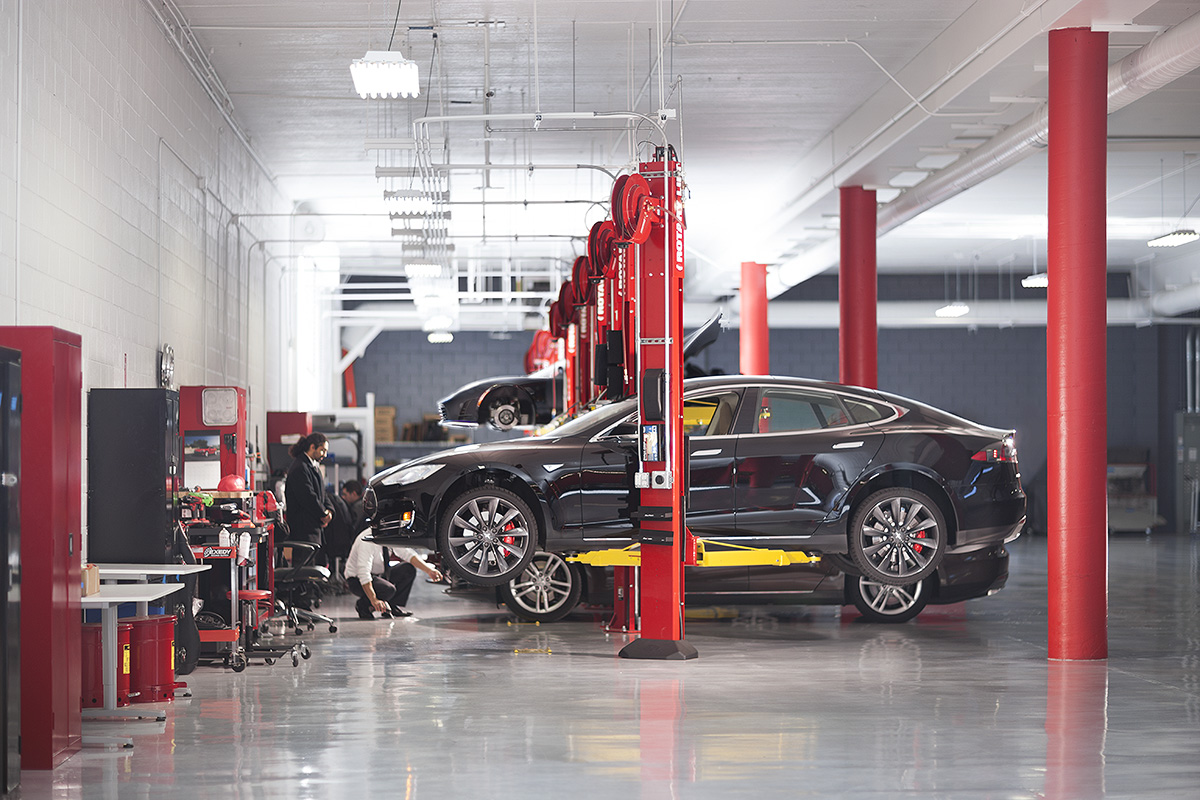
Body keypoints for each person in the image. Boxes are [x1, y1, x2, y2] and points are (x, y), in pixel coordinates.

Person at [343, 527, 443, 620]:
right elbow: (363, 573)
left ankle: (392, 605)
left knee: (408, 569)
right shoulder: (367, 541)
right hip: (356, 580)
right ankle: (363, 605)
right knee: (388, 589)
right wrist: (374, 600)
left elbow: (407, 553)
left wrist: (429, 570)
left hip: (379, 575)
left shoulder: (389, 534)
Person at [283, 432, 331, 547]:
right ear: (312, 447)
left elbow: (323, 493)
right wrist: (323, 513)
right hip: (303, 531)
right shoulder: (300, 467)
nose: (325, 455)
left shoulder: (313, 466)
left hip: (313, 529)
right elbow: (308, 496)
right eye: (322, 450)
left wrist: (329, 510)